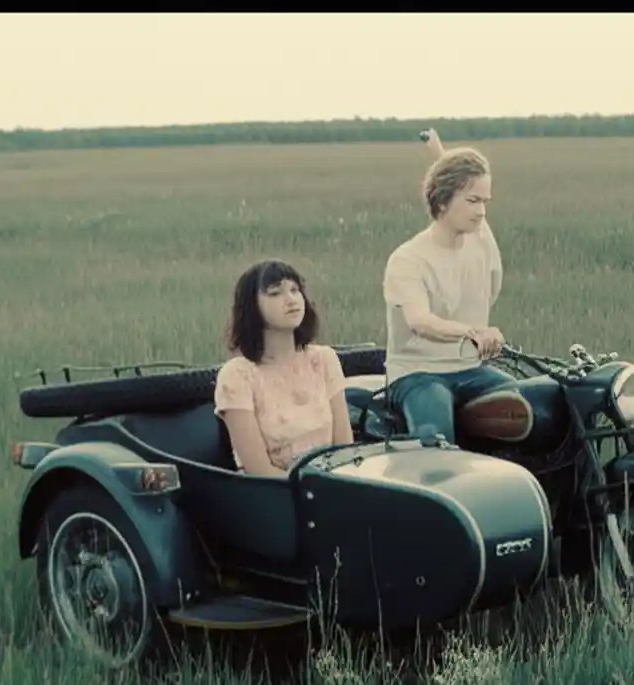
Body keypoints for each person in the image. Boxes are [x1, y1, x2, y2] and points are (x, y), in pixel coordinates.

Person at [381, 128, 516, 444]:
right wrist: (473, 332)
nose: (481, 211)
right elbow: (420, 322)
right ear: (442, 201)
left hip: (470, 368)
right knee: (435, 433)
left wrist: (439, 152)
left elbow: (456, 176)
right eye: (472, 201)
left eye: (485, 201)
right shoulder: (408, 259)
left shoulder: (480, 241)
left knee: (530, 408)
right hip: (417, 373)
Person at [214, 259, 354, 477]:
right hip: (275, 493)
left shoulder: (324, 359)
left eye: (295, 290)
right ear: (252, 306)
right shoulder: (237, 375)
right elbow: (258, 470)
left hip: (332, 486)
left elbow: (346, 449)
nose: (291, 300)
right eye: (275, 293)